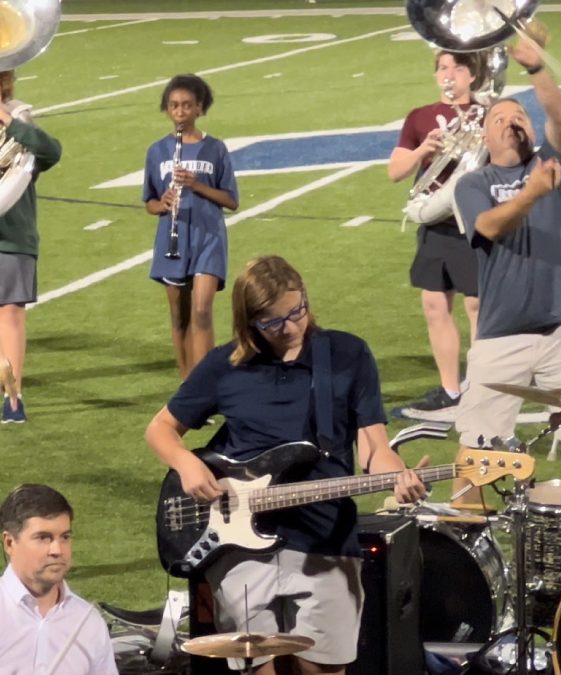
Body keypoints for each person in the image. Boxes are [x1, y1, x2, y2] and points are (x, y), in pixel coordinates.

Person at [145, 255, 426, 674]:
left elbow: (375, 448)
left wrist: (396, 476)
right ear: (248, 322)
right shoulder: (225, 366)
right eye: (273, 322)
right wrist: (186, 463)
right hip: (239, 548)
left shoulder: (347, 354)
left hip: (325, 542)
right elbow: (160, 429)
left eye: (297, 311)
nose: (290, 327)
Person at [451, 36, 561, 503]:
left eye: (518, 115)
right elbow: (489, 226)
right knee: (477, 448)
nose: (511, 122)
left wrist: (538, 69)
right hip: (501, 333)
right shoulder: (472, 184)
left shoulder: (554, 166)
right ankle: (464, 534)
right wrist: (532, 193)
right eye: (499, 119)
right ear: (485, 137)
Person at [388, 50, 481, 421]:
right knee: (435, 305)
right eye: (443, 67)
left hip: (475, 221)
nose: (449, 74)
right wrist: (423, 150)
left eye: (458, 67)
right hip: (435, 220)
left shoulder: (487, 112)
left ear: (472, 75)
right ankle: (450, 389)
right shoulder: (419, 117)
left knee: (477, 307)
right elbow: (395, 171)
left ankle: (483, 386)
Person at [143, 74, 239, 381]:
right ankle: (188, 385)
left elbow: (231, 200)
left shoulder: (215, 148)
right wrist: (162, 203)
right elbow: (149, 202)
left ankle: (207, 383)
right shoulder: (157, 151)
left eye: (187, 105)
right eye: (174, 105)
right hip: (172, 239)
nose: (180, 112)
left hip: (208, 237)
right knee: (180, 316)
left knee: (201, 310)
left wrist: (196, 185)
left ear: (199, 108)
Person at [0, 484, 118, 675]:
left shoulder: (88, 622)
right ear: (9, 543)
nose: (57, 550)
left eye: (64, 537)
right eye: (43, 538)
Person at [0, 70, 61, 424]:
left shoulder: (19, 117)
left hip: (14, 232)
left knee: (10, 313)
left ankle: (12, 399)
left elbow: (51, 153)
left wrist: (8, 120)